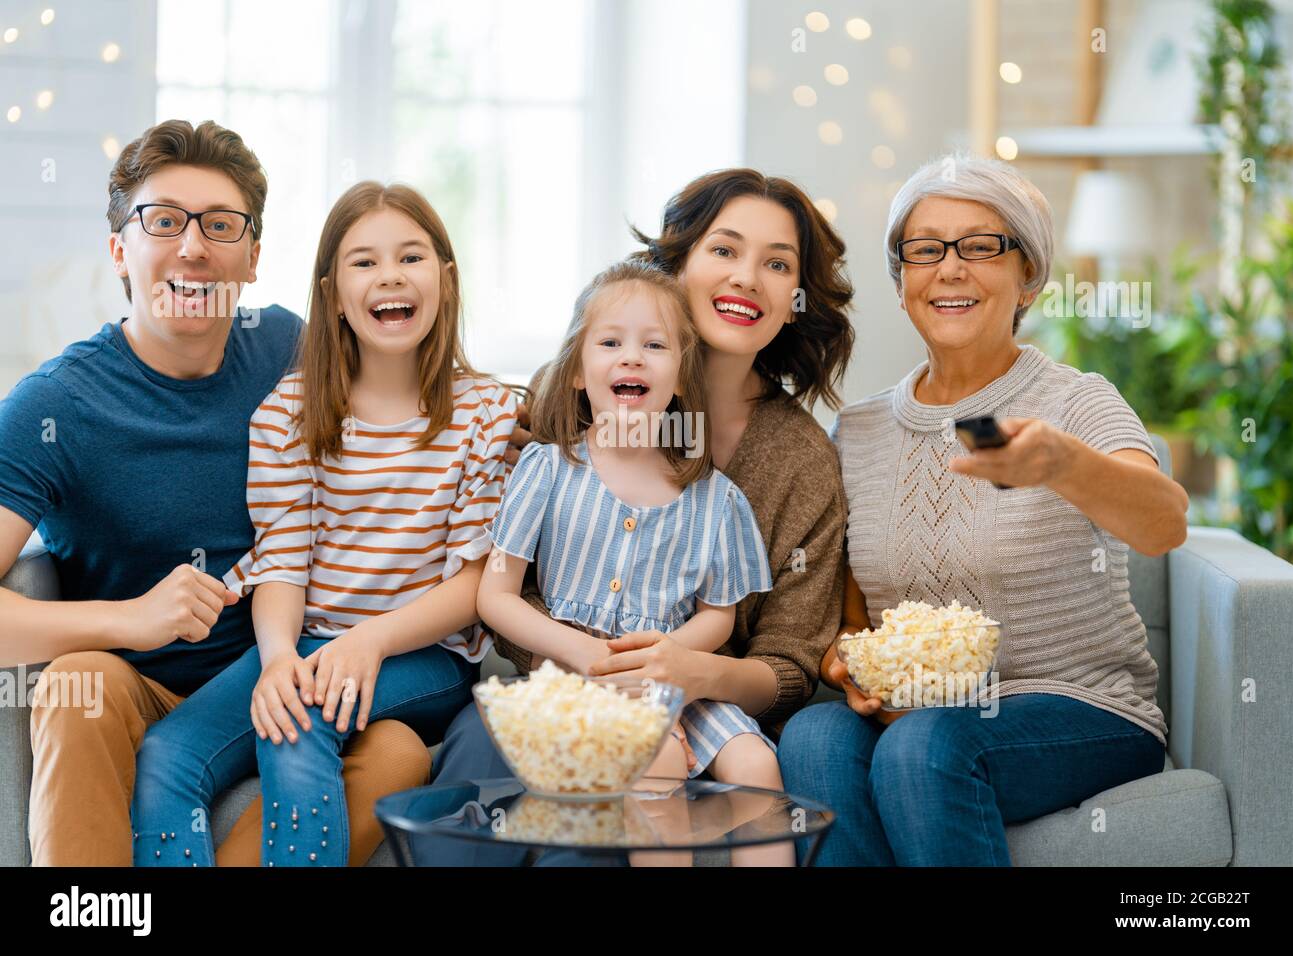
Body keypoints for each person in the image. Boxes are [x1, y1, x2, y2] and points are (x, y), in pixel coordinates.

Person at [0, 120, 429, 866]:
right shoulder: (54, 407)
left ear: (253, 257)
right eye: (162, 221)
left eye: (220, 226)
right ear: (119, 250)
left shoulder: (294, 351)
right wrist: (131, 619)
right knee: (80, 685)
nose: (193, 247)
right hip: (144, 688)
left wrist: (540, 434)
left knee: (397, 750)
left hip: (291, 680)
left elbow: (429, 400)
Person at [429, 169, 855, 865]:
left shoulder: (799, 465)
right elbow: (513, 581)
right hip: (563, 684)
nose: (748, 277)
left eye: (777, 264)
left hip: (703, 697)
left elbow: (789, 661)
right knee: (490, 760)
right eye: (725, 250)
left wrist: (686, 676)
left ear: (796, 300)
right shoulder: (569, 401)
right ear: (677, 264)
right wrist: (598, 676)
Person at [778, 153, 1190, 866]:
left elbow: (1164, 524)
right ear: (902, 279)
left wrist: (1062, 464)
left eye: (981, 246)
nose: (950, 268)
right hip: (920, 708)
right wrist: (852, 665)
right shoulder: (862, 430)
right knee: (813, 737)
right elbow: (851, 617)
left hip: (1078, 707)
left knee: (925, 744)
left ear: (1027, 274)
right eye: (925, 249)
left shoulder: (1075, 402)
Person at [129, 180, 516, 866]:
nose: (390, 275)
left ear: (446, 281)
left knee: (301, 715)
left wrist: (368, 642)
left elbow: (472, 584)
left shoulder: (487, 414)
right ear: (334, 293)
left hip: (423, 654)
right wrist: (278, 655)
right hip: (304, 638)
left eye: (412, 257)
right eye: (364, 262)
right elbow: (282, 558)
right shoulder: (289, 412)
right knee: (169, 753)